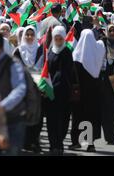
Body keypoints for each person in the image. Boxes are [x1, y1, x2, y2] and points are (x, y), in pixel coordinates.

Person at [70, 29, 105, 152]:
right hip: (94, 93)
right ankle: (90, 144)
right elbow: (102, 45)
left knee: (78, 117)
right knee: (91, 118)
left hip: (79, 93)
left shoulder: (77, 55)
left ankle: (76, 142)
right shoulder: (98, 52)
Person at [13, 25, 44, 153]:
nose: (30, 37)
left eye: (32, 35)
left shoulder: (41, 50)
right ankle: (24, 142)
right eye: (27, 35)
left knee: (38, 116)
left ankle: (34, 141)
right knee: (23, 116)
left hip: (37, 89)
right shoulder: (18, 51)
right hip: (23, 89)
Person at [44, 26, 73, 155]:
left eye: (60, 38)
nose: (58, 40)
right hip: (51, 93)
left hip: (63, 93)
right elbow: (47, 70)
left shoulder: (67, 52)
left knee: (63, 120)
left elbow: (66, 72)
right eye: (56, 38)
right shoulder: (50, 52)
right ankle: (53, 144)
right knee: (51, 120)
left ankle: (59, 143)